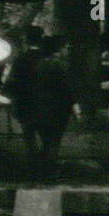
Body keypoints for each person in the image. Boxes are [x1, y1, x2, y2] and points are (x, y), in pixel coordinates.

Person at [7, 28, 73, 182]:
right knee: (49, 141)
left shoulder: (20, 59)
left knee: (30, 140)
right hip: (49, 107)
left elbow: (13, 83)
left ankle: (33, 169)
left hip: (25, 105)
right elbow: (65, 87)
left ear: (26, 40)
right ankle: (46, 171)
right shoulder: (49, 60)